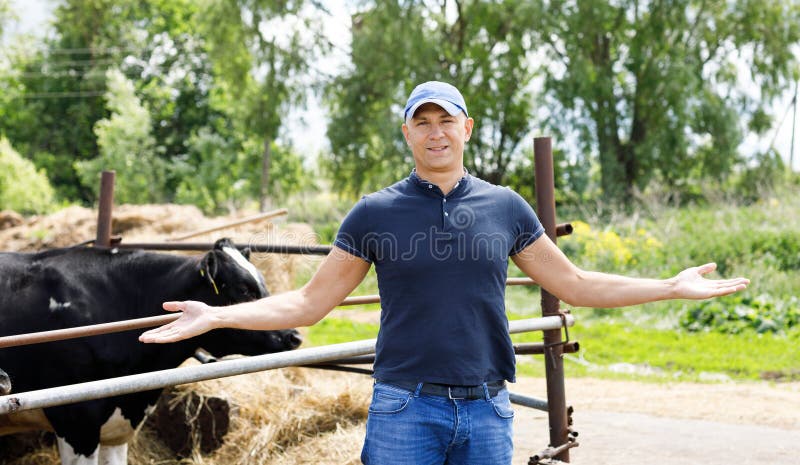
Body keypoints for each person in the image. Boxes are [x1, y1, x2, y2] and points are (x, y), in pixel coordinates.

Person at [140, 81, 750, 465]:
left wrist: (670, 286)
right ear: (407, 132)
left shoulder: (506, 206)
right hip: (405, 410)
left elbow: (576, 286)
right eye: (422, 122)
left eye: (446, 120)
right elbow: (306, 303)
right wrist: (217, 314)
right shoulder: (375, 212)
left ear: (467, 128)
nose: (436, 133)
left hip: (488, 410)